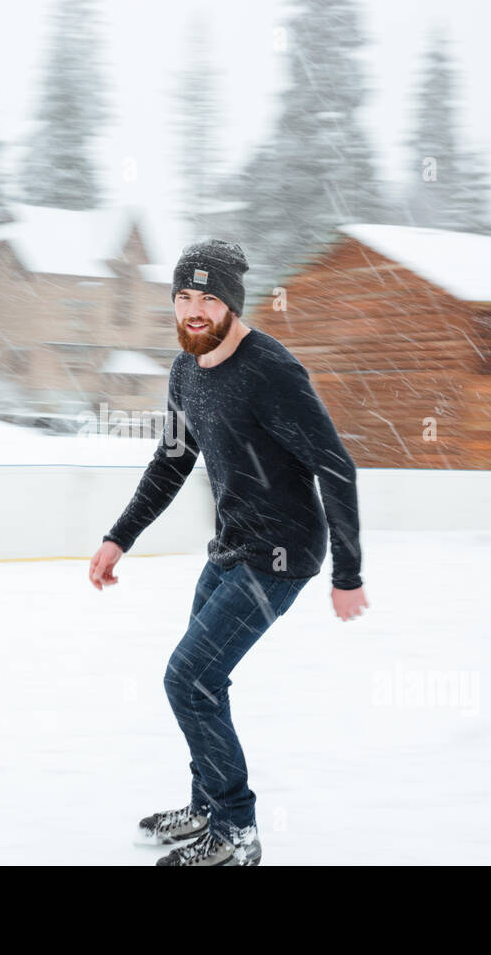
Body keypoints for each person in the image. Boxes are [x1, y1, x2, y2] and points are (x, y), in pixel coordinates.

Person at [88, 238, 369, 866]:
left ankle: (236, 832)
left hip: (281, 552)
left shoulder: (270, 370)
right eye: (183, 296)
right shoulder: (187, 368)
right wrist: (119, 537)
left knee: (189, 678)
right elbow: (172, 461)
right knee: (204, 683)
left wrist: (347, 573)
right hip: (231, 547)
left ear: (231, 305)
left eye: (207, 298)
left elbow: (337, 467)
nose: (193, 309)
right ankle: (209, 807)